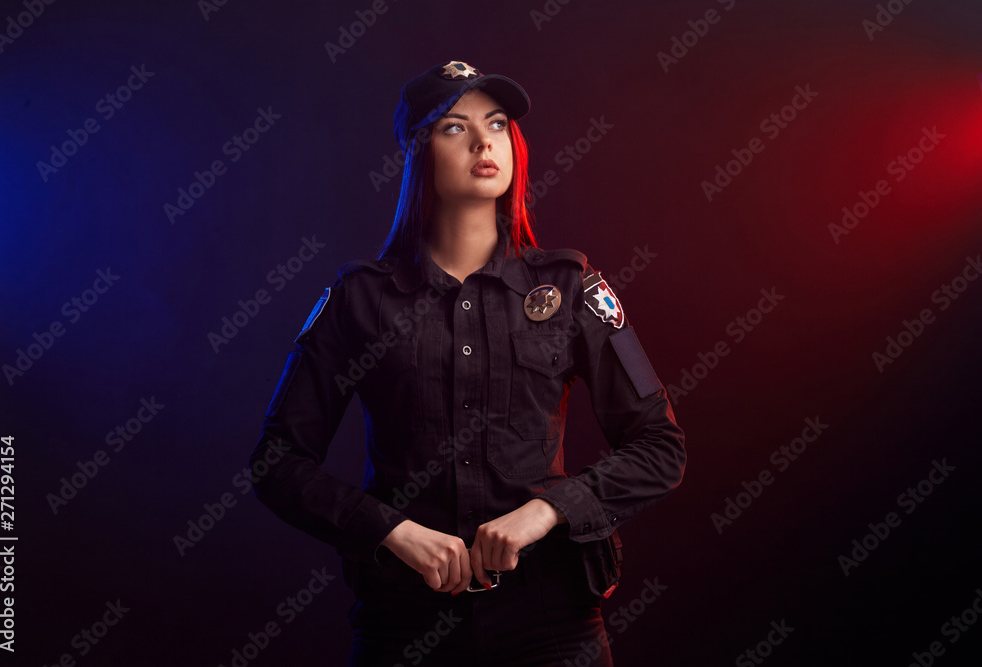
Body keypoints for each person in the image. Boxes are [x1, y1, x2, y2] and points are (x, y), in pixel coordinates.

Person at [250, 60, 686, 666]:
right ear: (417, 152)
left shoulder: (571, 286)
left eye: (498, 124)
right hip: (401, 625)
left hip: (553, 625)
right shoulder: (360, 299)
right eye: (455, 127)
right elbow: (277, 462)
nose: (485, 142)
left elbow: (660, 447)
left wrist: (547, 511)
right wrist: (390, 531)